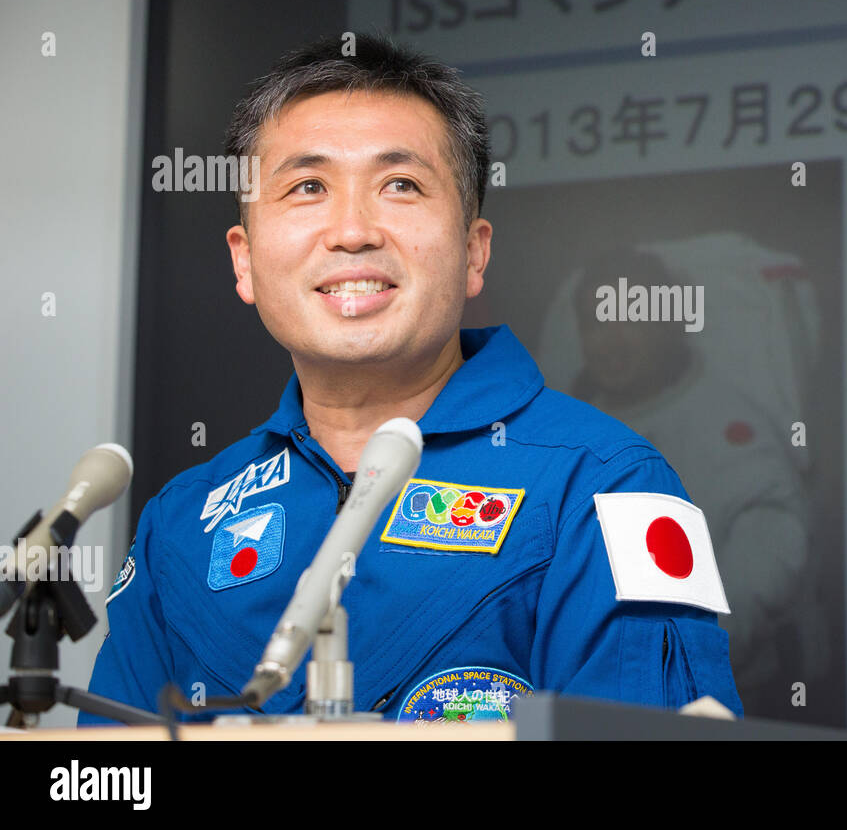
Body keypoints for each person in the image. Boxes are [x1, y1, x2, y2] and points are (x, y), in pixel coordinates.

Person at [79, 35, 742, 725]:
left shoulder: (603, 485)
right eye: (308, 187)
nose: (354, 231)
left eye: (401, 185)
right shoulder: (181, 524)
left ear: (473, 252)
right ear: (244, 263)